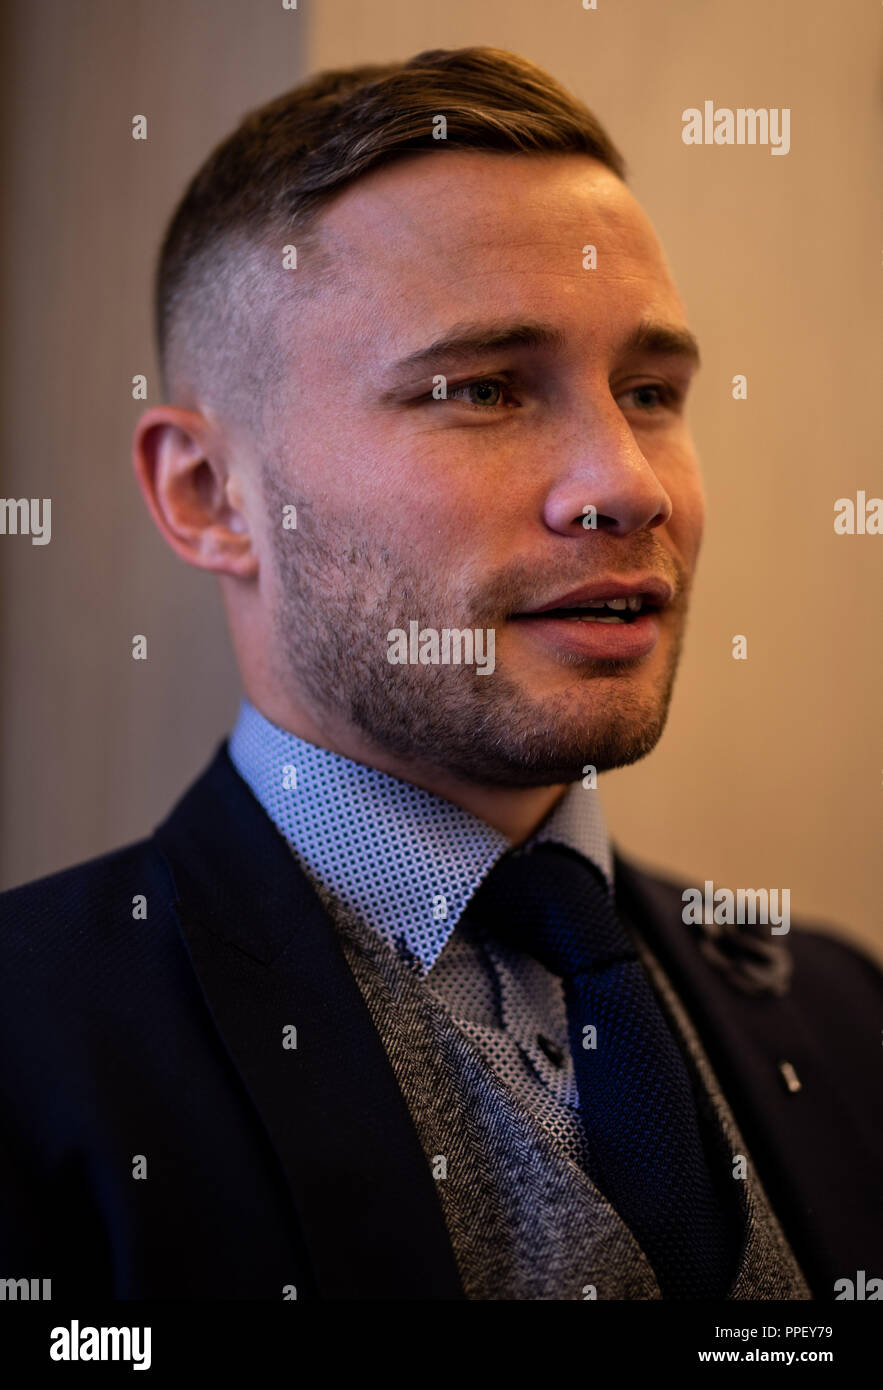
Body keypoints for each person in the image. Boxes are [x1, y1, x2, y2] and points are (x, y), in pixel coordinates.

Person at [0, 46, 879, 1302]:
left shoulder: (842, 1013)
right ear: (210, 496)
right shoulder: (31, 1049)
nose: (627, 484)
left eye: (650, 390)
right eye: (481, 388)